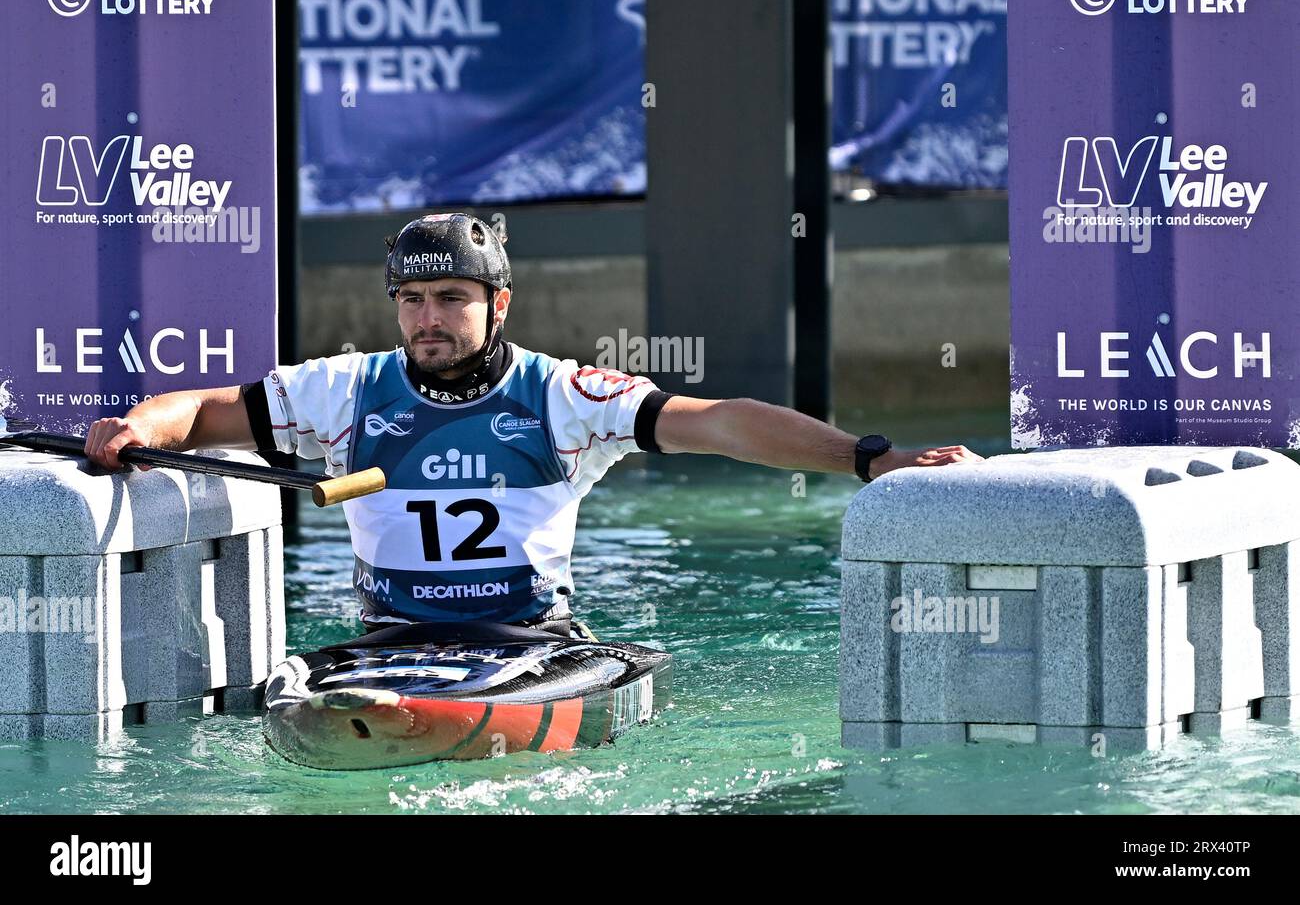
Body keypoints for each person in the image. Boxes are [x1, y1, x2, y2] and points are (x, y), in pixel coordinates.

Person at [84, 212, 983, 638]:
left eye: (451, 299)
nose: (427, 318)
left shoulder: (564, 396)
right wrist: (134, 427)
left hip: (530, 643)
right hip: (389, 644)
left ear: (498, 301)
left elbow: (726, 423)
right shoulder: (341, 388)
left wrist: (873, 457)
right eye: (411, 300)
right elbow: (202, 410)